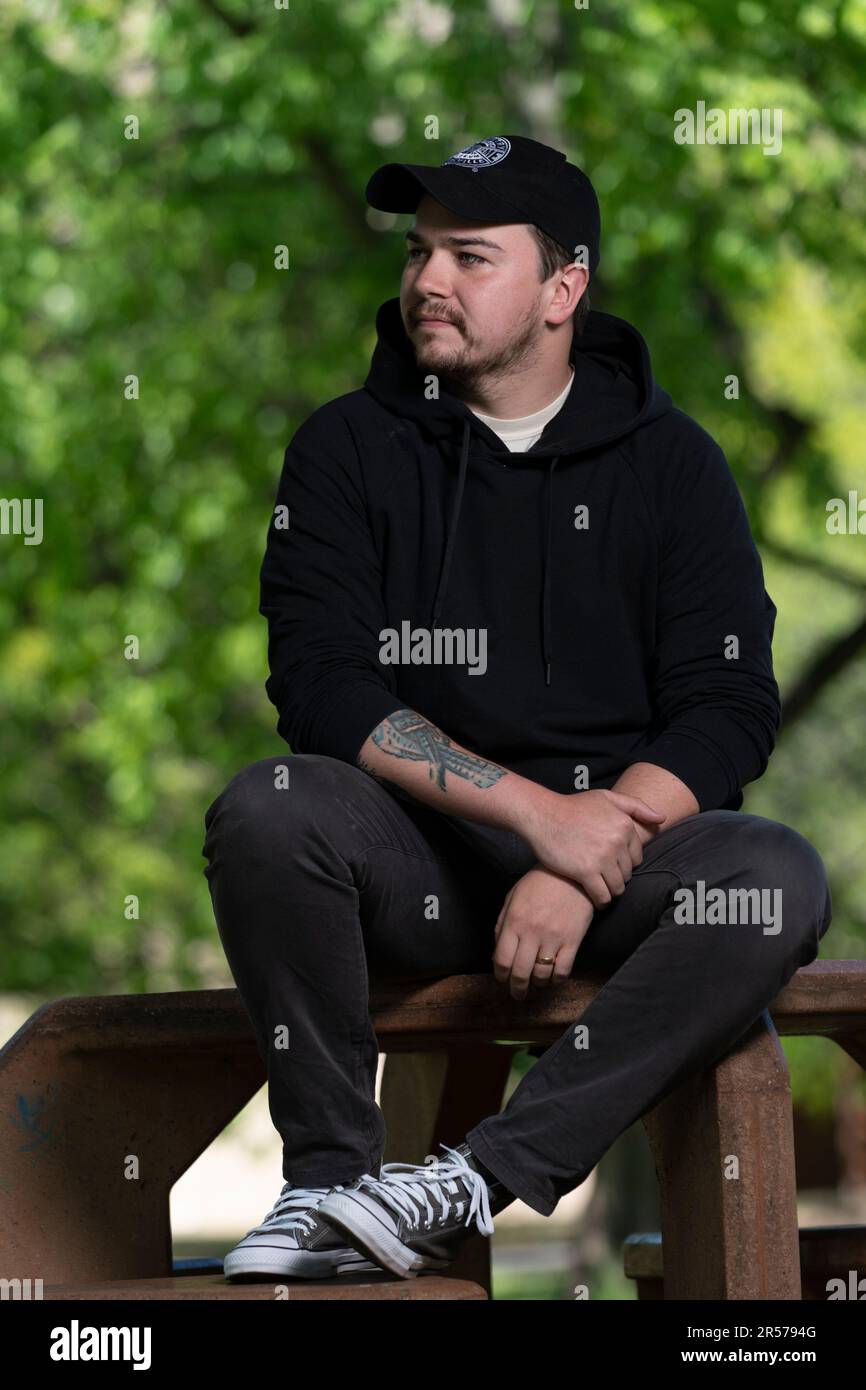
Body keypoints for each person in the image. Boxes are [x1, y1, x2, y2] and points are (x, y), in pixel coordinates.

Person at [202, 134, 833, 1283]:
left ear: (562, 289)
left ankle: (468, 1179)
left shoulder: (671, 465)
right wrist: (535, 817)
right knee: (271, 806)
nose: (427, 281)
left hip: (618, 866)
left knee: (770, 879)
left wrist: (582, 853)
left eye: (469, 256)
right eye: (417, 251)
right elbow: (323, 685)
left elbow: (727, 703)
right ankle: (331, 1182)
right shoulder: (346, 450)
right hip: (422, 866)